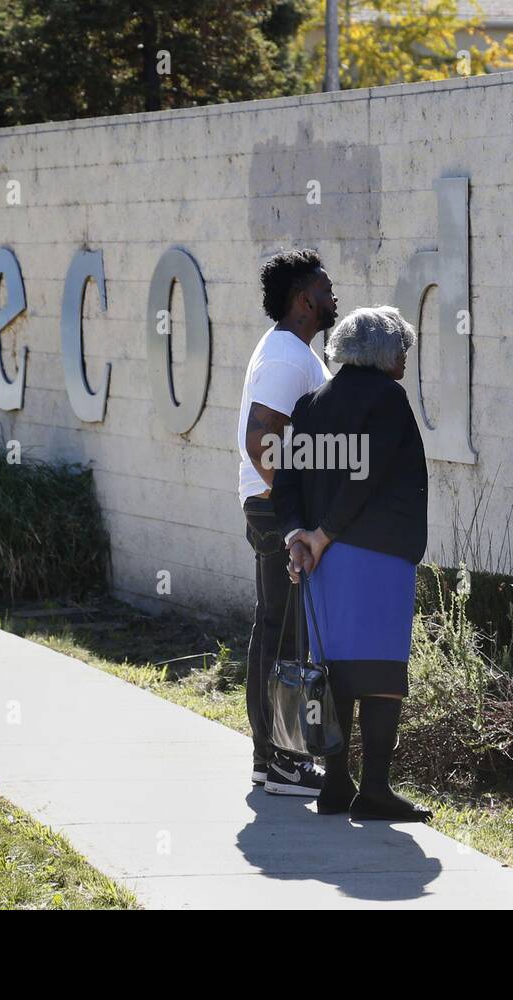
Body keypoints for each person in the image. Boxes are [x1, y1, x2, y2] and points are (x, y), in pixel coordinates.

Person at [273, 305, 432, 823]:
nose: (406, 358)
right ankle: (376, 790)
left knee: (335, 672)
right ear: (384, 354)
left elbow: (288, 481)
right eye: (403, 349)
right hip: (378, 556)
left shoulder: (310, 405)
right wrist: (322, 532)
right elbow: (368, 475)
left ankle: (336, 786)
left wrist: (300, 536)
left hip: (326, 563)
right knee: (383, 673)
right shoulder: (389, 399)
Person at [237, 249, 337, 796]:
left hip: (278, 509)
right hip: (278, 512)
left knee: (279, 631)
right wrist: (296, 519)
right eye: (326, 288)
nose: (333, 296)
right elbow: (261, 439)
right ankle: (278, 759)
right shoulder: (284, 354)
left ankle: (271, 758)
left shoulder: (290, 350)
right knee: (280, 634)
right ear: (304, 299)